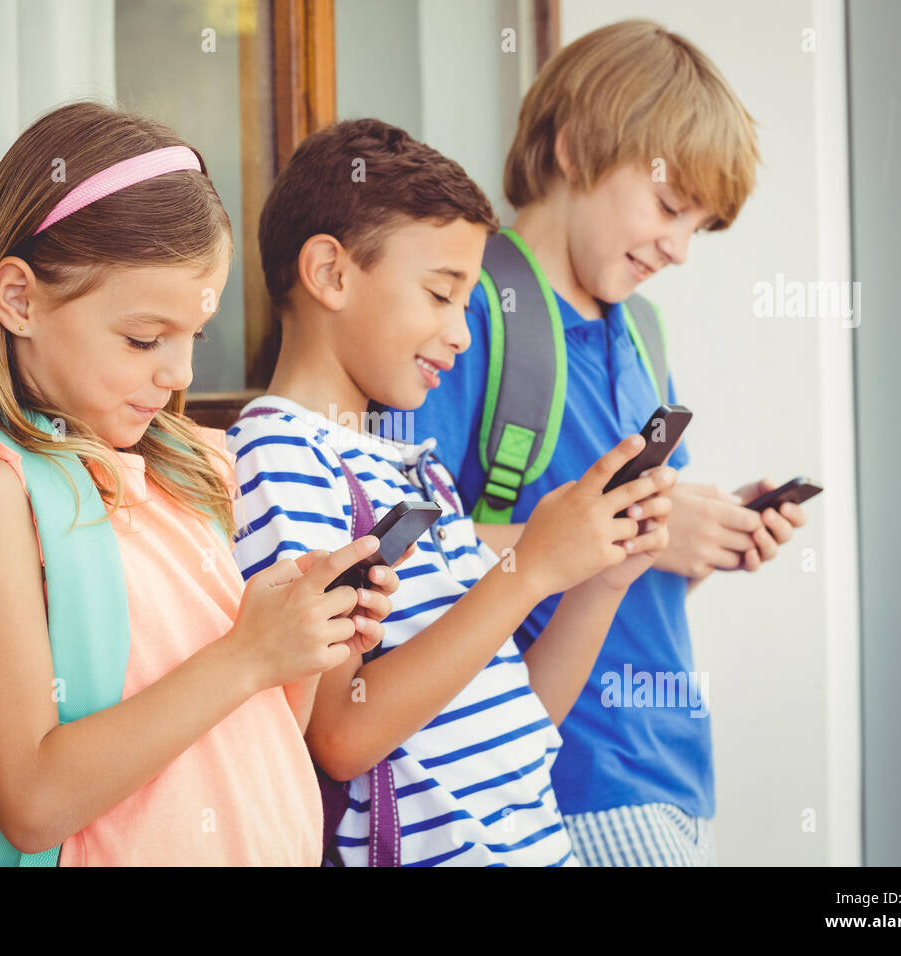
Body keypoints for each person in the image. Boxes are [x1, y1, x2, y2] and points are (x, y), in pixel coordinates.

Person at [0, 101, 402, 866]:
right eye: (144, 338)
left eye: (194, 336)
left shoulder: (185, 474)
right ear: (19, 299)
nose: (180, 373)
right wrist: (247, 656)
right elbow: (31, 801)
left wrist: (301, 647)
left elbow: (249, 740)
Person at [396, 20, 808, 865]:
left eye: (701, 226)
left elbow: (621, 580)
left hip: (672, 770)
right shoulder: (468, 317)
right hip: (565, 778)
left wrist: (702, 542)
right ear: (576, 150)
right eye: (667, 207)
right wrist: (641, 539)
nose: (681, 248)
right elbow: (400, 544)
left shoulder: (642, 335)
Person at [227, 117, 678, 866]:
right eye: (441, 295)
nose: (463, 334)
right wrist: (529, 567)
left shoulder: (418, 470)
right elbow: (340, 732)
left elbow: (521, 712)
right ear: (330, 274)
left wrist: (598, 584)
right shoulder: (280, 453)